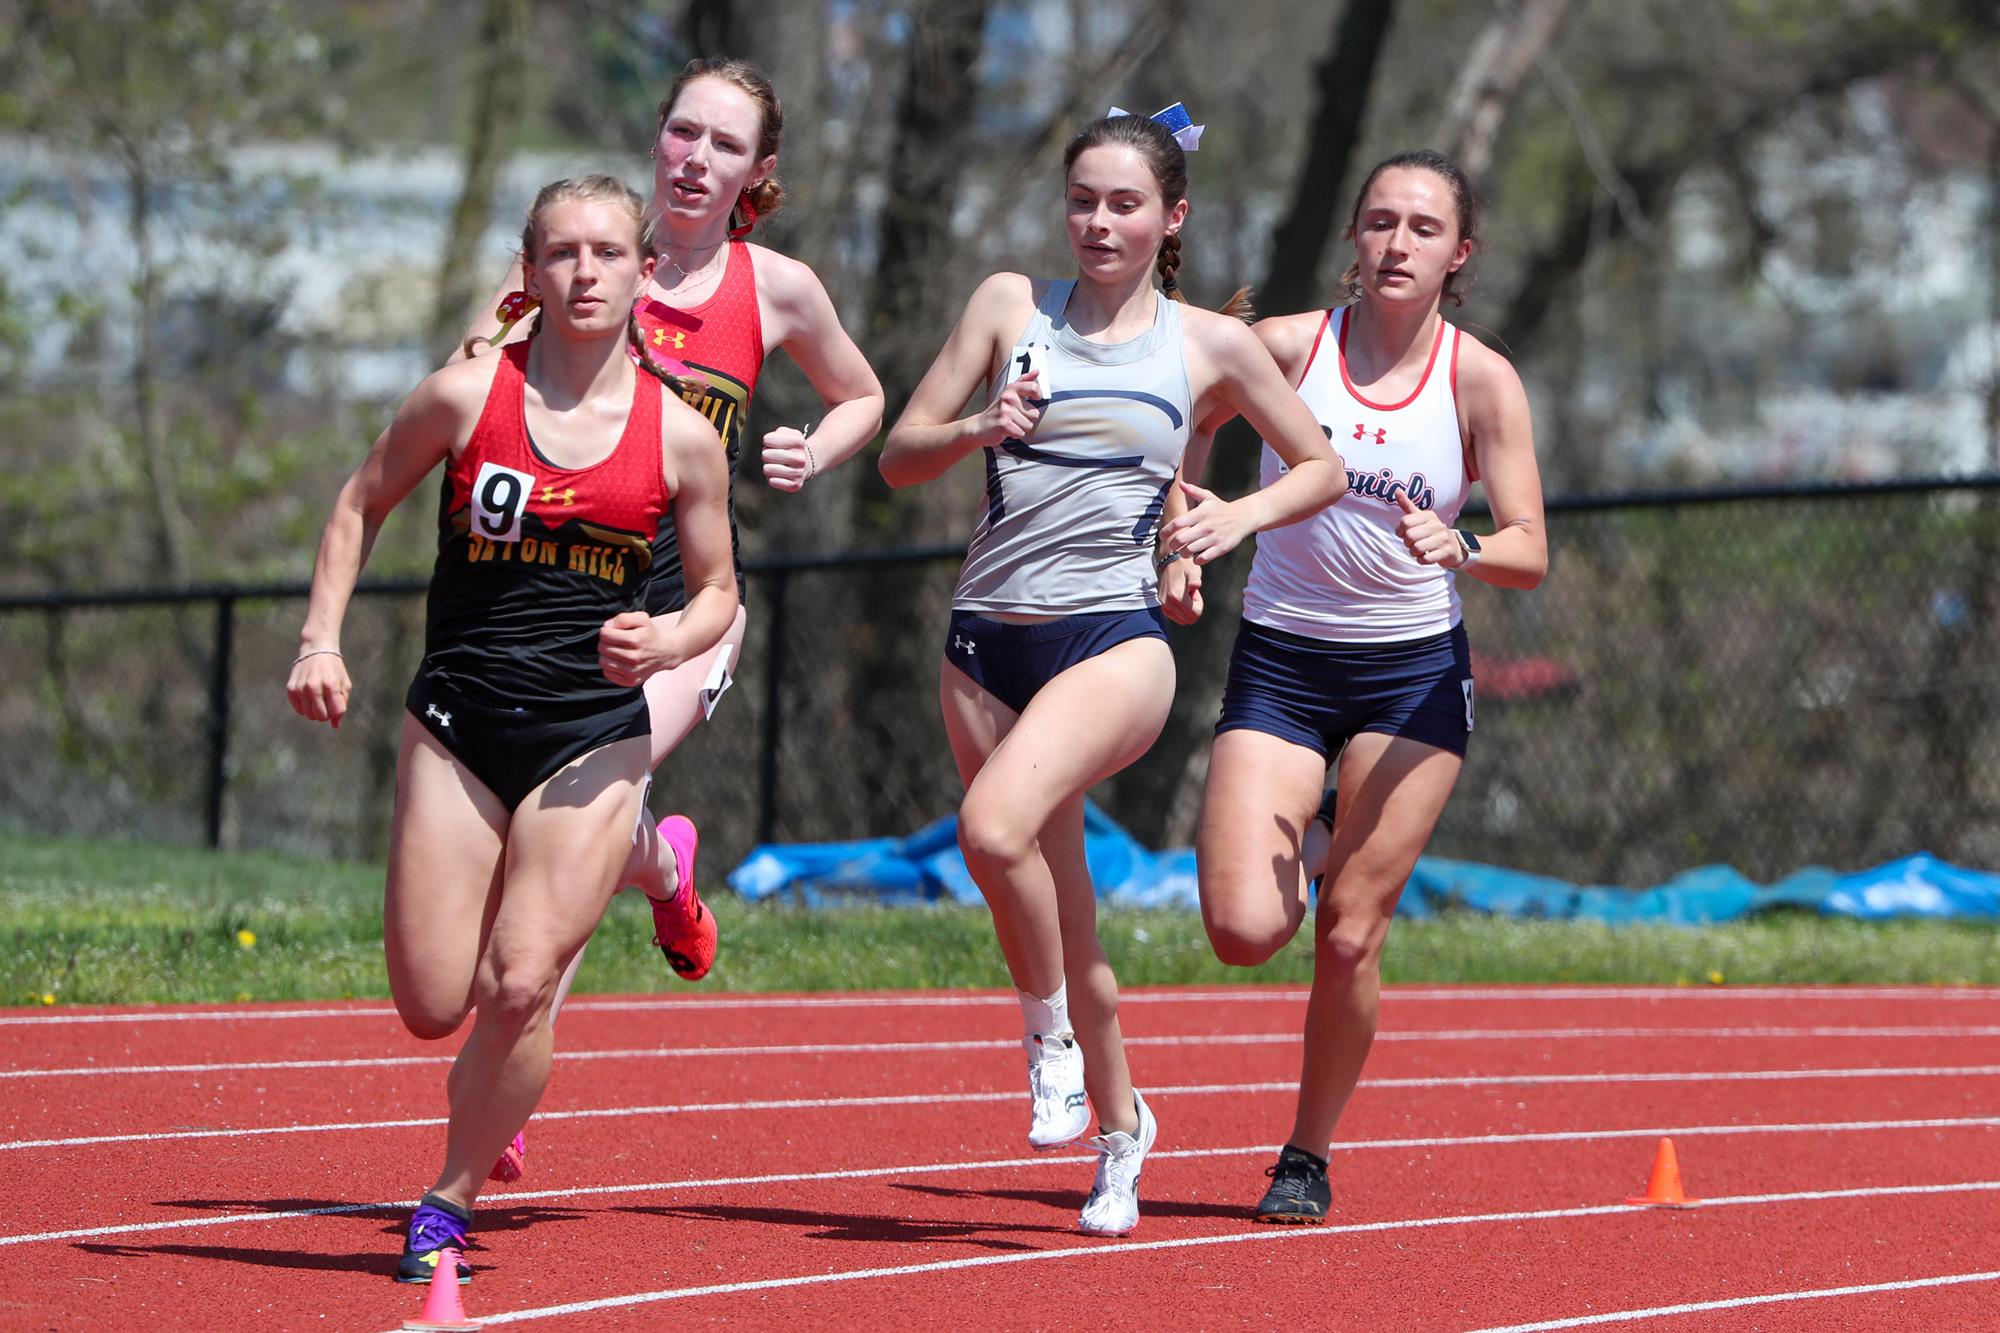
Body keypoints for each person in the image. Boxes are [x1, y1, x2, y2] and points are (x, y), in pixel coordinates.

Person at [879, 105, 1345, 1237]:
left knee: (989, 831)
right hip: (986, 640)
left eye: (1123, 203)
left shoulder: (1204, 344)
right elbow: (899, 455)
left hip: (1110, 641)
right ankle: (1122, 1123)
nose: (1097, 220)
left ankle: (1044, 1043)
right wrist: (978, 426)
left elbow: (1321, 466)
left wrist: (1229, 518)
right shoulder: (1007, 307)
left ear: (1169, 218)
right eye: (1081, 199)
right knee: (1068, 915)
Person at [286, 175, 736, 1282]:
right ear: (529, 272)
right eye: (564, 254)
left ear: (642, 275)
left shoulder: (681, 440)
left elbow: (722, 593)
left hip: (590, 731)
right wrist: (319, 639)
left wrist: (670, 643)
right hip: (458, 719)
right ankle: (657, 860)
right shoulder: (461, 395)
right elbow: (358, 502)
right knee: (433, 1000)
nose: (586, 274)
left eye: (609, 255)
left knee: (520, 981)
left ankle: (448, 1195)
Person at [460, 56, 885, 1000]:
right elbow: (476, 369)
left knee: (569, 818)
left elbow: (863, 395)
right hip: (558, 592)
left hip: (688, 604)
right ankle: (667, 868)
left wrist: (813, 451)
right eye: (684, 132)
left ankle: (514, 1063)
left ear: (756, 171)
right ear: (658, 136)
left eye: (725, 144)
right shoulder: (583, 252)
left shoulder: (776, 288)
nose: (696, 159)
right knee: (567, 829)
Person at [1185, 149, 1547, 1224]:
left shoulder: (1477, 378)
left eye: (1422, 229)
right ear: (1352, 236)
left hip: (1409, 678)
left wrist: (1464, 544)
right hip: (1284, 659)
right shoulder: (1286, 348)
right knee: (1245, 929)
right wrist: (1176, 530)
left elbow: (1529, 546)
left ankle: (1305, 1152)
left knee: (1347, 932)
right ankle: (1311, 812)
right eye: (1379, 222)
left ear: (1458, 254)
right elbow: (1189, 418)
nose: (1396, 244)